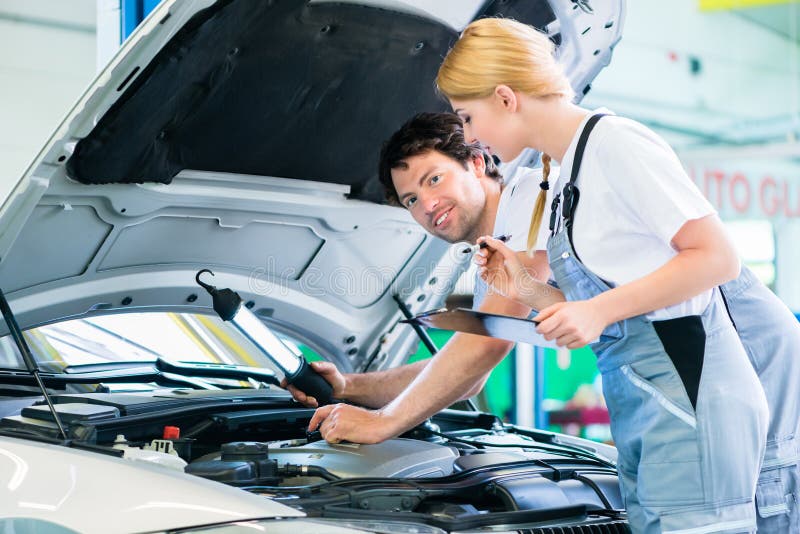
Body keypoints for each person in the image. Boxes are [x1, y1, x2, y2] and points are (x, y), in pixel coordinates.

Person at [307, 17, 775, 534]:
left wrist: (385, 421)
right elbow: (592, 308)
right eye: (412, 199)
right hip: (647, 398)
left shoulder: (607, 147)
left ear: (505, 98)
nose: (469, 134)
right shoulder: (563, 176)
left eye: (467, 117)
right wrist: (527, 291)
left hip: (694, 386)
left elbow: (716, 257)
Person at [285, 111, 561, 411]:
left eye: (434, 179)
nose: (427, 205)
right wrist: (347, 385)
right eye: (411, 200)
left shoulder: (533, 195)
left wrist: (381, 425)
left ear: (476, 163)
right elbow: (467, 376)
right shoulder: (490, 267)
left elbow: (486, 346)